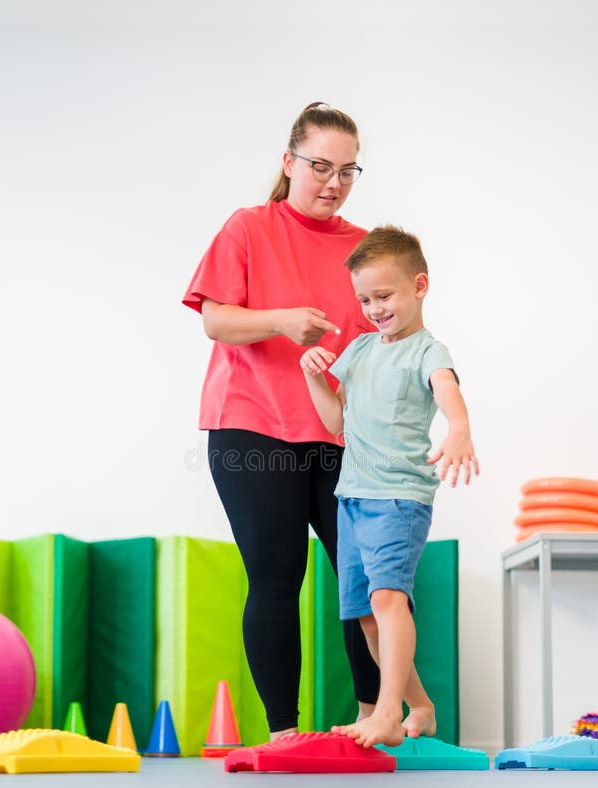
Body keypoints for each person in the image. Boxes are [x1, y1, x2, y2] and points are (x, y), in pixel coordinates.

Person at [182, 102, 381, 740]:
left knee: (368, 575)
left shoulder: (364, 249)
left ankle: (374, 720)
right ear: (288, 161)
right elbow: (216, 319)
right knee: (276, 576)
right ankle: (283, 731)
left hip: (339, 434)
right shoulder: (248, 227)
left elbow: (382, 342)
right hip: (252, 427)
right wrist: (281, 319)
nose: (333, 182)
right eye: (321, 166)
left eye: (348, 171)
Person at [299, 226, 479, 747]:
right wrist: (314, 376)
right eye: (364, 299)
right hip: (351, 497)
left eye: (384, 296)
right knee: (368, 617)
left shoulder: (427, 350)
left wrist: (460, 428)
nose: (374, 308)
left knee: (387, 600)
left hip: (398, 498)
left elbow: (446, 389)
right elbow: (336, 421)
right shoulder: (358, 350)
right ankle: (419, 706)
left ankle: (385, 714)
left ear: (419, 286)